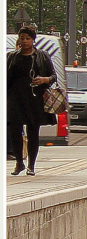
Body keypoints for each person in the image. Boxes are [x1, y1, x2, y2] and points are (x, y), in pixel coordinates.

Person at [7, 26, 55, 176]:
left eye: (28, 38)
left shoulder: (42, 56)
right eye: (22, 38)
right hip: (15, 98)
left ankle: (31, 165)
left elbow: (53, 76)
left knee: (33, 131)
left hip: (35, 98)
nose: (25, 41)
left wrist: (44, 79)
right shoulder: (11, 56)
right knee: (15, 130)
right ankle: (19, 163)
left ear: (33, 40)